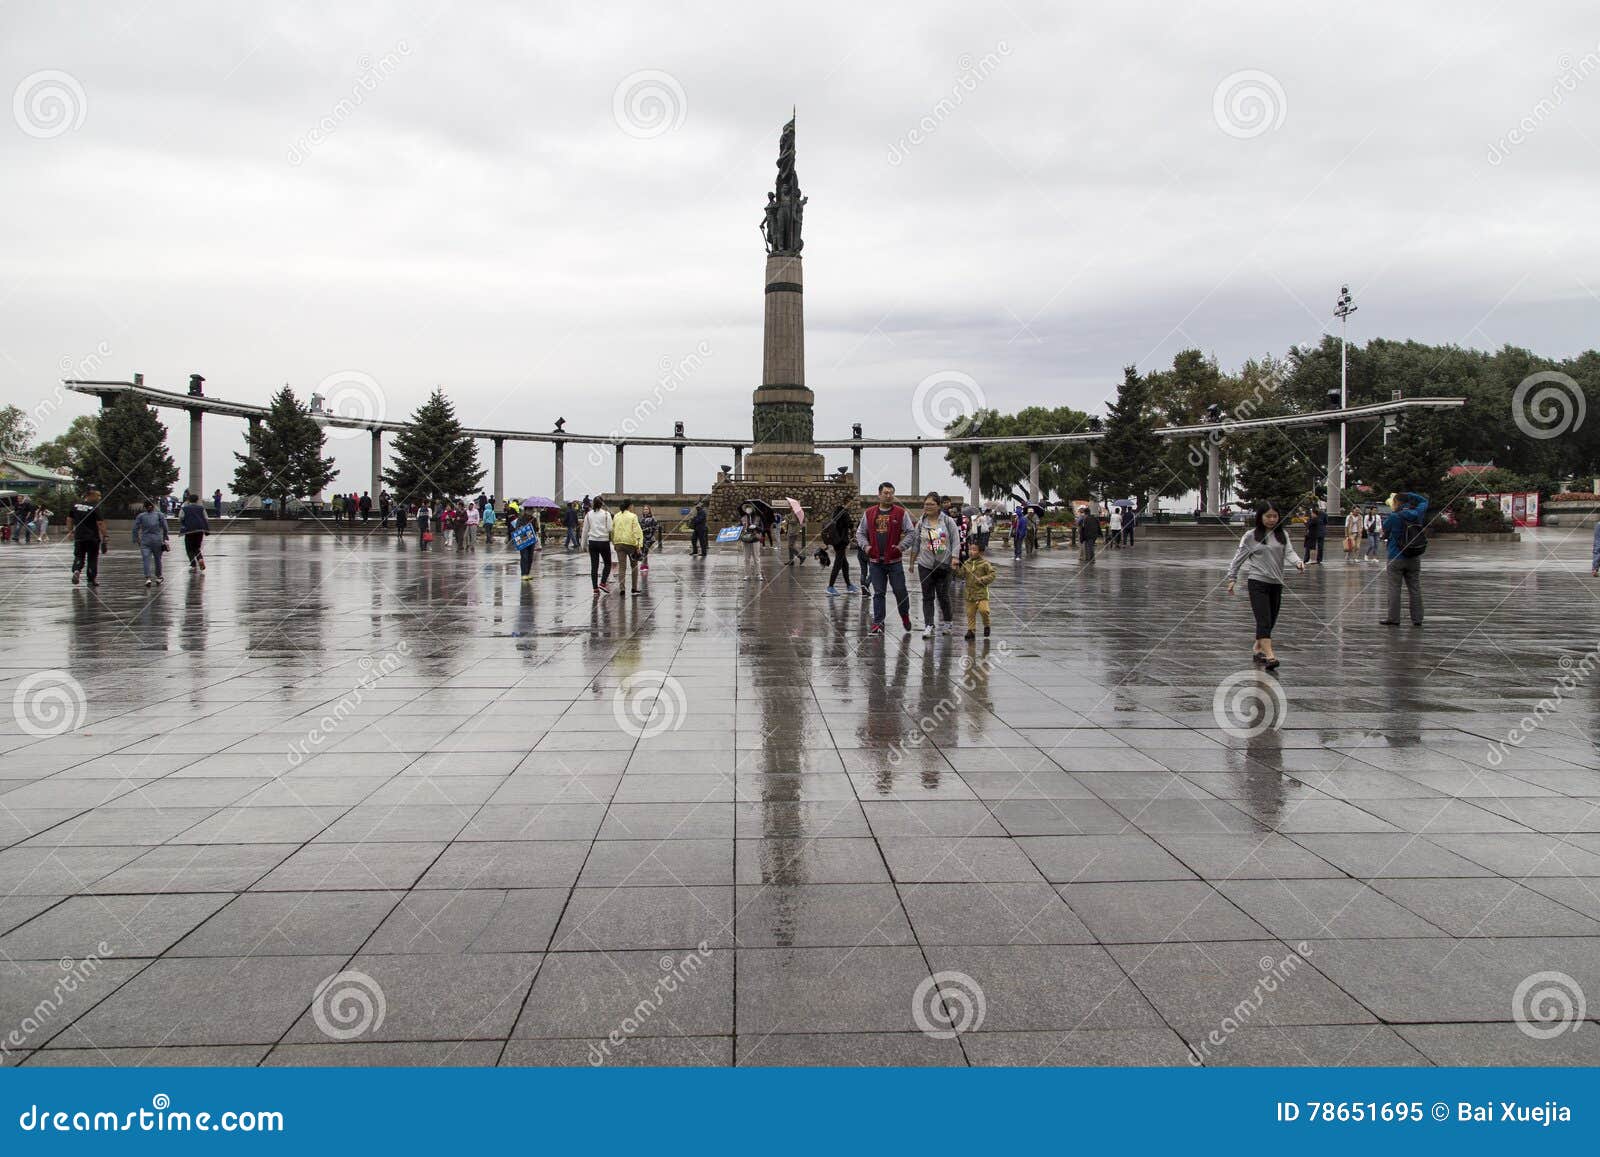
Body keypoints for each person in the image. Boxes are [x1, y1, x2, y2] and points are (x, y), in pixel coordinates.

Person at [1225, 502, 1306, 670]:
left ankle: (1258, 647)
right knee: (1263, 619)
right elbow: (1239, 557)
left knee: (1271, 620)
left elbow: (1289, 552)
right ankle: (1270, 656)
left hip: (1276, 583)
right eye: (1268, 516)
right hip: (1257, 582)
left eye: (1274, 516)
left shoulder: (1282, 534)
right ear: (1260, 517)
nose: (1271, 519)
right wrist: (1232, 577)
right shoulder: (1251, 536)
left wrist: (1298, 562)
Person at [856, 482, 915, 636]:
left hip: (894, 561)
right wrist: (866, 547)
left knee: (900, 591)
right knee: (878, 593)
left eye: (891, 493)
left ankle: (905, 616)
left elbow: (911, 532)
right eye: (885, 493)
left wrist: (900, 547)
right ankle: (878, 622)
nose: (888, 496)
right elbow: (860, 533)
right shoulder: (869, 513)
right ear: (879, 494)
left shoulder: (901, 513)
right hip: (875, 562)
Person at [1380, 490, 1429, 627]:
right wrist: (1409, 495)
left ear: (1396, 503)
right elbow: (1424, 501)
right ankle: (1417, 618)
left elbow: (1384, 530)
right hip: (1414, 556)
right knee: (1415, 588)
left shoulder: (1394, 517)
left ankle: (1393, 618)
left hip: (1396, 556)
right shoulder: (1417, 513)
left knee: (1394, 588)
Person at [913, 491, 959, 636]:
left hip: (943, 563)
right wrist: (911, 561)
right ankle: (929, 625)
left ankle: (948, 622)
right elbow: (916, 542)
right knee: (927, 596)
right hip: (925, 564)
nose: (928, 506)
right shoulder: (922, 522)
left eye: (932, 504)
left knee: (943, 595)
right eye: (926, 504)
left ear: (938, 506)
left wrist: (955, 558)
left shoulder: (947, 521)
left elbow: (956, 540)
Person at [67, 489, 106, 587]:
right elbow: (100, 523)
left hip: (79, 537)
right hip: (93, 538)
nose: (99, 498)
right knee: (92, 558)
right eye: (98, 496)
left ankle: (76, 570)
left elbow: (69, 519)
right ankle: (92, 578)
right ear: (90, 496)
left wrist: (70, 531)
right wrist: (105, 535)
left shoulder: (75, 506)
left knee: (79, 555)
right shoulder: (94, 508)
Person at [958, 540, 996, 639]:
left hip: (981, 594)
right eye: (970, 549)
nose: (971, 551)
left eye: (974, 550)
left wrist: (983, 579)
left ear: (980, 552)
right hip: (969, 594)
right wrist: (954, 569)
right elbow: (961, 574)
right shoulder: (966, 563)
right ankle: (971, 630)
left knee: (984, 611)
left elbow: (992, 574)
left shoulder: (985, 564)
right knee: (970, 613)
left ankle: (986, 625)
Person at [132, 499, 169, 587]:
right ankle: (159, 576)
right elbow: (165, 528)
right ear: (153, 506)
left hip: (145, 540)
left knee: (146, 559)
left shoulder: (141, 516)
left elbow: (135, 528)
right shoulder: (159, 515)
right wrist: (165, 537)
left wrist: (136, 539)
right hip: (157, 540)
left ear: (144, 507)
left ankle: (148, 578)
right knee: (158, 559)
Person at [823, 501, 858, 595]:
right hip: (841, 541)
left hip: (836, 541)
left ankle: (849, 585)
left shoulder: (836, 512)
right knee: (838, 564)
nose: (851, 505)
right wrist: (852, 524)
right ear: (846, 502)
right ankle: (830, 586)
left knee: (845, 564)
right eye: (850, 503)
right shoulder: (844, 513)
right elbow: (849, 525)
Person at [611, 499, 644, 596]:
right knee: (634, 566)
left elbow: (612, 530)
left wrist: (614, 542)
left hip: (618, 543)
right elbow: (637, 531)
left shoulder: (616, 516)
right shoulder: (633, 516)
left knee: (622, 566)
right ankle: (634, 588)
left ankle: (622, 588)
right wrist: (638, 545)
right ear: (630, 506)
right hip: (630, 543)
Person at [582, 496, 614, 594]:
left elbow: (585, 530)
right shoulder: (606, 514)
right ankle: (603, 583)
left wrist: (583, 544)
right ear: (602, 504)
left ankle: (595, 588)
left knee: (594, 565)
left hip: (592, 541)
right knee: (608, 563)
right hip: (604, 541)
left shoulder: (588, 515)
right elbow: (610, 528)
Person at [180, 491, 210, 571]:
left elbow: (181, 517)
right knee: (197, 547)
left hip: (189, 530)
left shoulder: (185, 508)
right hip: (199, 530)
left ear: (189, 500)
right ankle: (200, 559)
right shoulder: (201, 508)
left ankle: (193, 564)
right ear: (197, 500)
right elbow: (206, 518)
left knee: (189, 548)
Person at [513, 508, 541, 580]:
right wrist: (523, 527)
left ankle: (528, 573)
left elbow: (536, 529)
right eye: (530, 510)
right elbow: (517, 528)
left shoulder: (533, 519)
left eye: (532, 511)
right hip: (523, 540)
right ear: (525, 511)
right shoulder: (521, 519)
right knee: (524, 557)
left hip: (531, 540)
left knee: (530, 557)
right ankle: (523, 574)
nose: (531, 512)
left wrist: (536, 523)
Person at [640, 506, 658, 571]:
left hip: (649, 538)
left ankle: (643, 565)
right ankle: (645, 565)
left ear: (649, 510)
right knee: (643, 551)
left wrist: (648, 529)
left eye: (647, 509)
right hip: (642, 537)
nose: (645, 510)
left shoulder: (652, 518)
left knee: (645, 551)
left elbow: (655, 527)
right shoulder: (642, 518)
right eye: (644, 509)